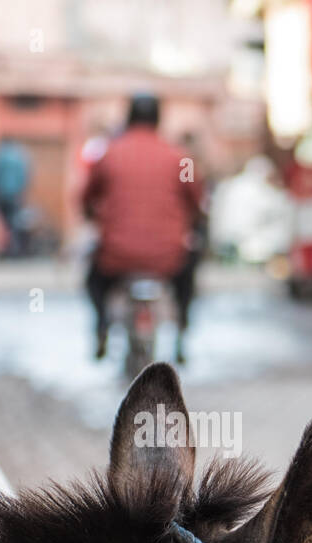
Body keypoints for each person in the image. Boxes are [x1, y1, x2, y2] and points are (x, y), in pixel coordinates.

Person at [82, 94, 204, 363]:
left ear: (129, 117)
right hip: (168, 258)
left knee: (93, 279)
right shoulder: (181, 159)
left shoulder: (108, 154)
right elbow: (196, 200)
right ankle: (182, 333)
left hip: (116, 256)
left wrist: (94, 217)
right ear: (158, 119)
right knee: (189, 276)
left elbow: (88, 197)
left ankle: (102, 325)